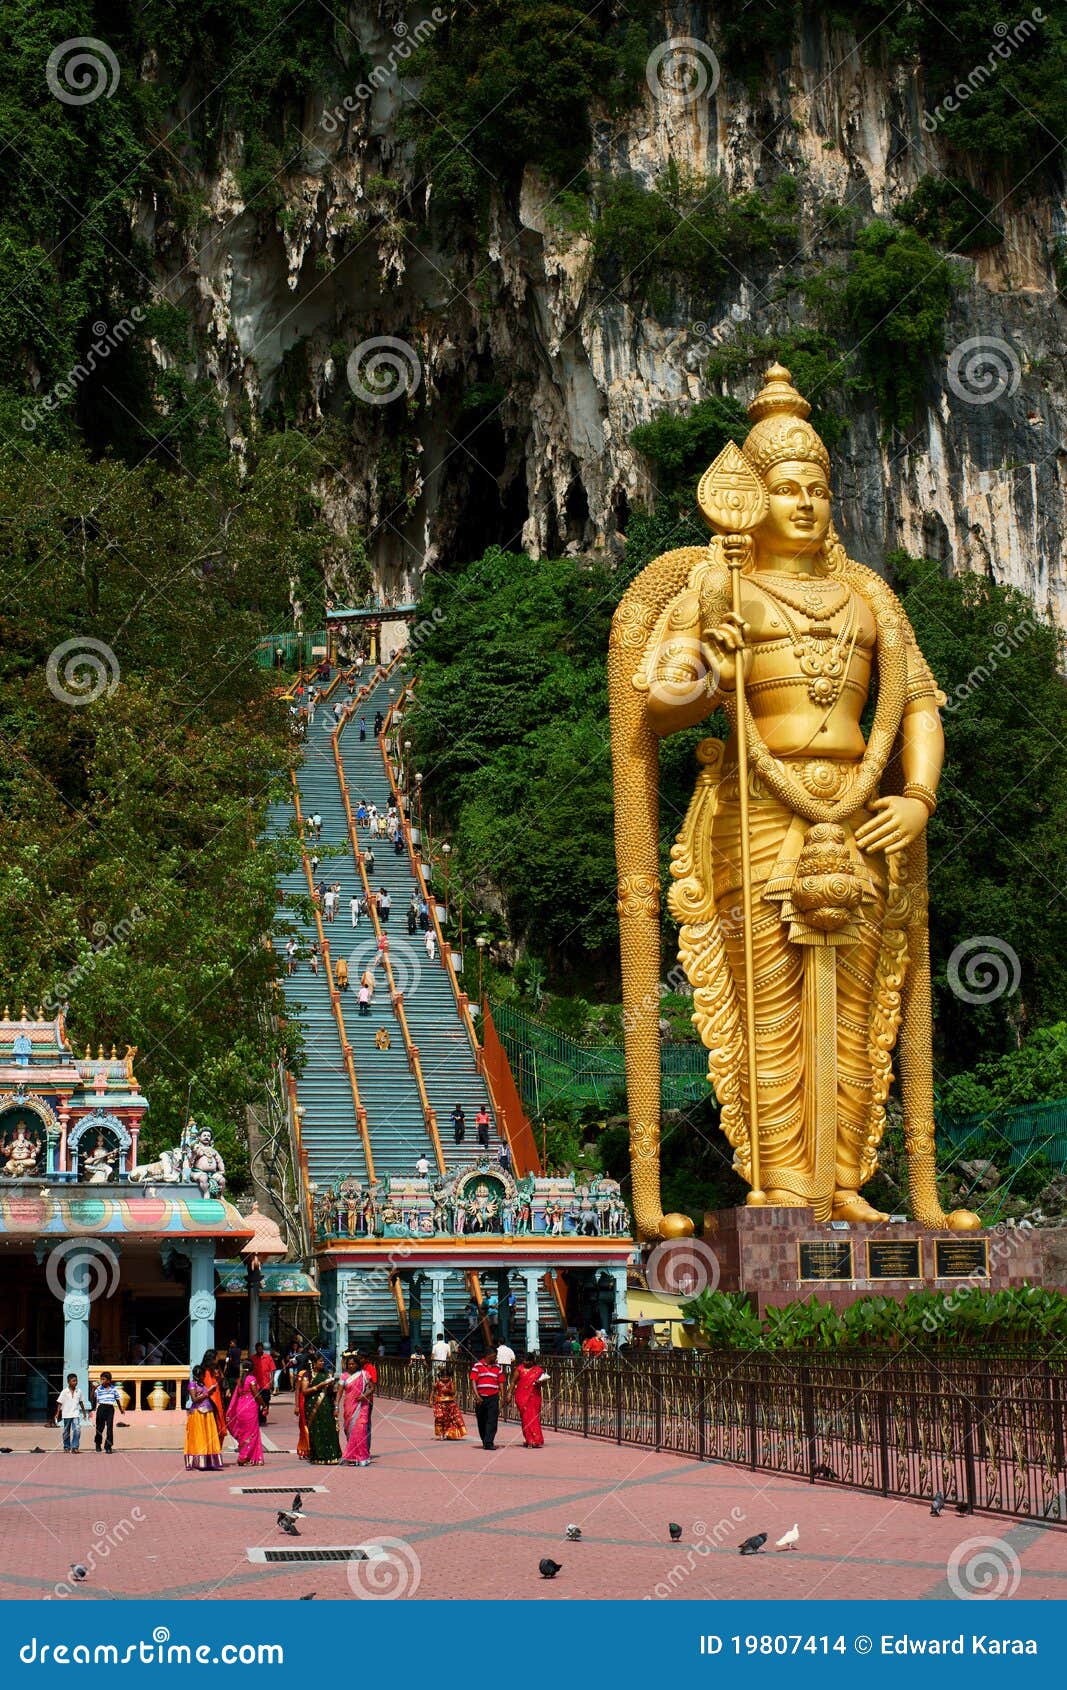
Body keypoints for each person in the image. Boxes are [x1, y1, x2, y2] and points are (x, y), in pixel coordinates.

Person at [303, 1354, 342, 1464]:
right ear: (313, 1363)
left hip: (326, 1405)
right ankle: (318, 1456)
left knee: (330, 1429)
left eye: (323, 1361)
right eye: (320, 1361)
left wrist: (335, 1404)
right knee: (315, 1430)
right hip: (312, 1406)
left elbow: (332, 1392)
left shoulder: (327, 1374)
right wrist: (320, 1385)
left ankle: (331, 1456)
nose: (322, 1363)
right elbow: (304, 1391)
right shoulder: (307, 1375)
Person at [184, 1367, 224, 1471]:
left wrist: (210, 1391)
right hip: (198, 1413)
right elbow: (194, 1399)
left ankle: (209, 1462)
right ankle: (198, 1463)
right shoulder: (192, 1384)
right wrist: (207, 1393)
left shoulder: (202, 1384)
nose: (204, 1376)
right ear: (199, 1375)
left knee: (208, 1436)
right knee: (199, 1437)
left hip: (208, 1412)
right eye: (202, 1375)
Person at [225, 1365, 264, 1466]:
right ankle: (243, 1457)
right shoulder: (251, 1379)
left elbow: (237, 1395)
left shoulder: (240, 1380)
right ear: (252, 1369)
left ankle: (248, 1457)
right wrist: (264, 1405)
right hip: (250, 1408)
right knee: (251, 1433)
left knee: (244, 1433)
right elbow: (256, 1394)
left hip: (240, 1407)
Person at [339, 1353, 373, 1466]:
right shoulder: (344, 1376)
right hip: (349, 1406)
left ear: (357, 1364)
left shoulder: (364, 1374)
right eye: (349, 1364)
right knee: (349, 1430)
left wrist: (364, 1395)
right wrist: (335, 1406)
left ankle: (362, 1456)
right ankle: (352, 1456)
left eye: (353, 1364)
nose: (351, 1366)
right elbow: (339, 1393)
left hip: (362, 1406)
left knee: (360, 1430)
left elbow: (372, 1388)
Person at [470, 1346, 505, 1450]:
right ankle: (485, 1440)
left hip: (493, 1396)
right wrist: (476, 1396)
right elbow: (473, 1382)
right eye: (494, 1356)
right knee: (481, 1420)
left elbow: (501, 1382)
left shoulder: (497, 1367)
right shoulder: (477, 1366)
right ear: (488, 1355)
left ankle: (489, 1442)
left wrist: (502, 1395)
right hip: (481, 1397)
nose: (496, 1358)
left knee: (492, 1420)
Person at [513, 1354, 547, 1448]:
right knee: (525, 1418)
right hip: (521, 1396)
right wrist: (508, 1394)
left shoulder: (538, 1370)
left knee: (533, 1418)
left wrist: (540, 1382)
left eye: (527, 1361)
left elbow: (544, 1381)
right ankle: (529, 1439)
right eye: (524, 1360)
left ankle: (535, 1440)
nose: (525, 1362)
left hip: (534, 1396)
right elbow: (513, 1382)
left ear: (532, 1361)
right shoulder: (519, 1369)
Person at [55, 1373, 90, 1454]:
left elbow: (81, 1403)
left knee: (77, 1430)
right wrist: (57, 1413)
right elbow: (59, 1403)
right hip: (66, 1414)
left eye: (76, 1381)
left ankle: (75, 1447)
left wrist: (84, 1413)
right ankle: (66, 1447)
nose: (75, 1382)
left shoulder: (79, 1391)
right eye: (73, 1381)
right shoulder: (64, 1392)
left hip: (75, 1414)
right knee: (66, 1432)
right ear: (68, 1382)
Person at [431, 1370, 467, 1441]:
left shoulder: (451, 1383)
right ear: (440, 1377)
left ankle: (448, 1433)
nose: (445, 1378)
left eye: (446, 1377)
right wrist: (430, 1400)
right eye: (443, 1377)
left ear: (449, 1377)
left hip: (450, 1403)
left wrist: (448, 1390)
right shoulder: (437, 1383)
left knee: (450, 1419)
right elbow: (433, 1390)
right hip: (440, 1403)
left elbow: (453, 1392)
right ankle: (441, 1434)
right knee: (440, 1419)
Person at [201, 1351, 226, 1439]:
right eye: (216, 1357)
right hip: (211, 1402)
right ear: (212, 1359)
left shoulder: (214, 1369)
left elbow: (221, 1378)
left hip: (216, 1399)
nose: (218, 1359)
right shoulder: (207, 1372)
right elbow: (209, 1391)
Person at [92, 1372, 119, 1454]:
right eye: (101, 1379)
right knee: (100, 1427)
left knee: (110, 1428)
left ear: (109, 1380)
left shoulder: (113, 1388)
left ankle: (108, 1446)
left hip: (110, 1408)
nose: (101, 1381)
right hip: (101, 1408)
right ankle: (97, 1444)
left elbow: (117, 1399)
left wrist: (121, 1409)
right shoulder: (99, 1388)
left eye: (103, 1379)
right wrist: (93, 1389)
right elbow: (93, 1398)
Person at [251, 1341, 275, 1423]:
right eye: (258, 1349)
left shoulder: (268, 1357)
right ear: (256, 1349)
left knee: (266, 1401)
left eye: (261, 1349)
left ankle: (263, 1416)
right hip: (256, 1384)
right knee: (256, 1401)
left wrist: (272, 1380)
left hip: (266, 1384)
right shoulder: (253, 1358)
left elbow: (272, 1369)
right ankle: (257, 1417)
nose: (260, 1350)